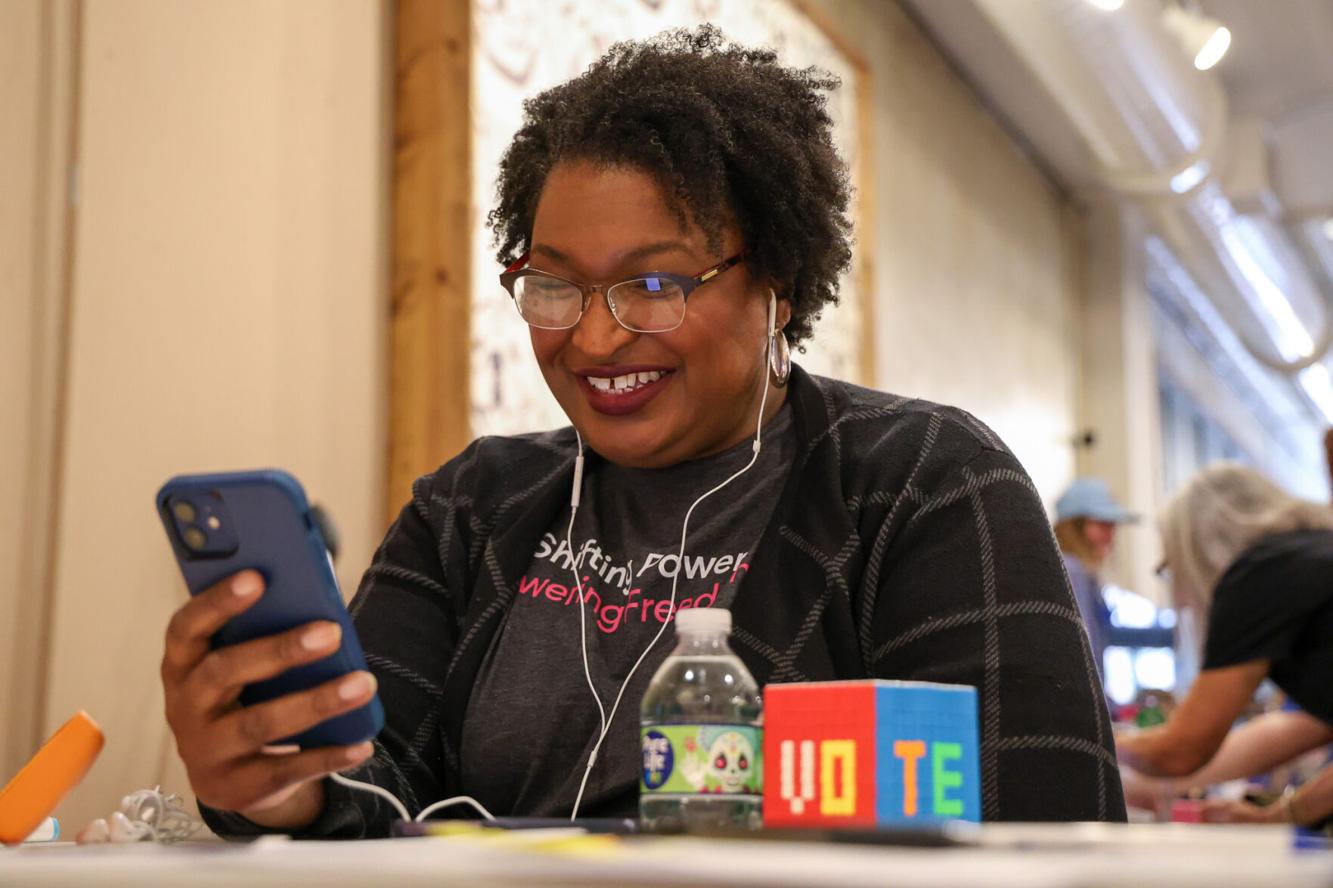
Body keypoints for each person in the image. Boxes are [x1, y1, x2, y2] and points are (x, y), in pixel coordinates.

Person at [160, 27, 1123, 839]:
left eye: (655, 284)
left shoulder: (920, 483)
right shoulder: (471, 508)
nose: (592, 335)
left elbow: (1043, 822)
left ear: (776, 283)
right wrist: (282, 789)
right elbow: (374, 794)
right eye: (555, 283)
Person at [1117, 463, 1333, 827]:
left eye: (1172, 568)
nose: (1182, 601)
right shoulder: (1310, 565)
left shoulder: (1260, 573)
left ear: (1201, 551)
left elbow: (1183, 749)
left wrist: (1100, 743)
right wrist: (1277, 816)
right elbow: (1301, 727)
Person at [1053, 477, 1144, 678]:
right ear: (1072, 526)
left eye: (1112, 526)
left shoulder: (1082, 573)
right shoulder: (1071, 570)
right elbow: (1085, 651)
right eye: (1102, 524)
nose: (1111, 535)